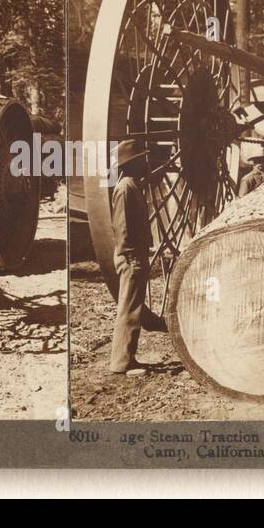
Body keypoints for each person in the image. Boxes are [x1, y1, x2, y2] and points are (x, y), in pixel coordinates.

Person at [108, 140, 165, 376]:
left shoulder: (131, 185)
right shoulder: (125, 188)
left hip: (134, 254)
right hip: (131, 255)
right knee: (129, 309)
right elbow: (121, 225)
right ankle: (122, 363)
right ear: (132, 163)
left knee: (133, 306)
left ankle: (128, 358)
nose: (145, 163)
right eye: (141, 159)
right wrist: (130, 255)